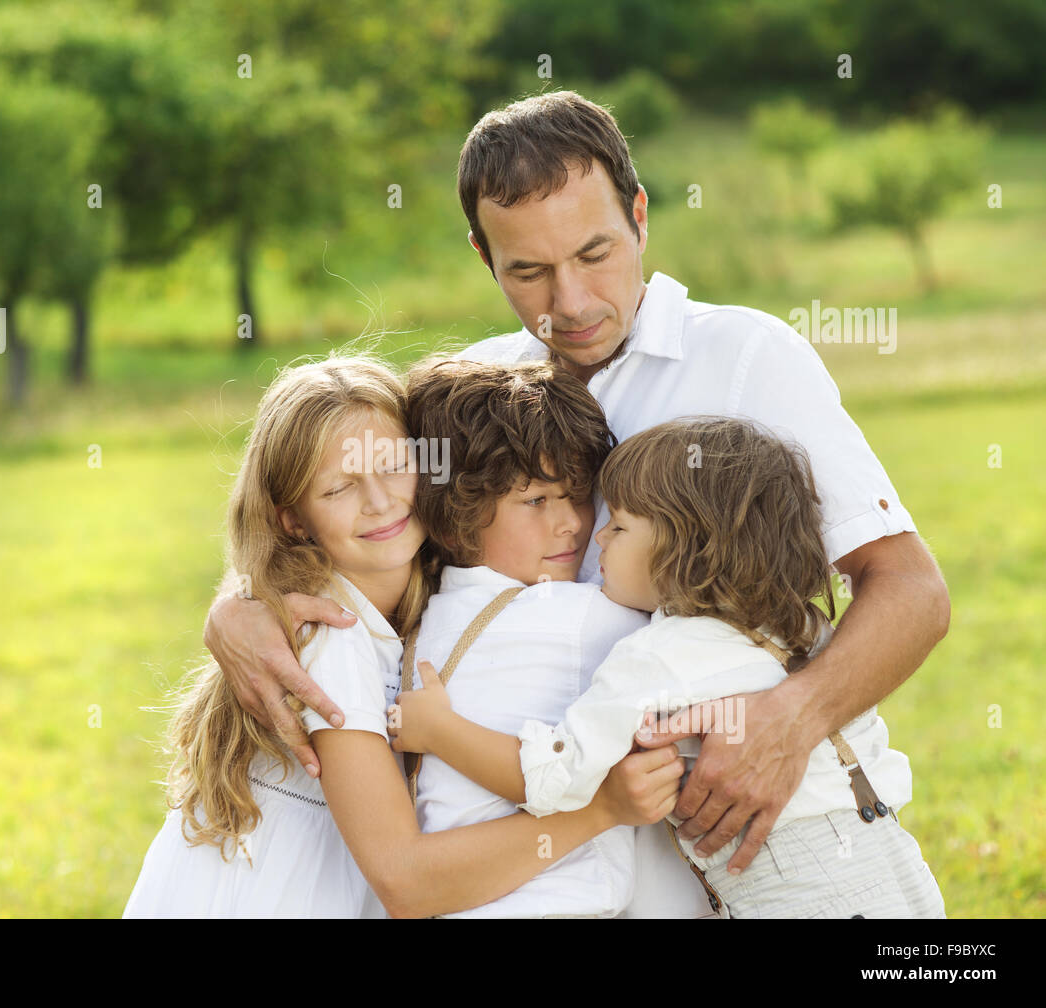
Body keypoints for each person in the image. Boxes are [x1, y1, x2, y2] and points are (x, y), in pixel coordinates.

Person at [202, 90, 950, 888]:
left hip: (758, 848)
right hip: (548, 867)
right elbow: (351, 503)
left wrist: (790, 721)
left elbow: (911, 591)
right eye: (528, 271)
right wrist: (243, 603)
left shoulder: (748, 357)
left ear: (639, 214)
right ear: (484, 258)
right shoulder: (480, 392)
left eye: (595, 253)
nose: (572, 304)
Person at [123, 354, 676, 918]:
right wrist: (600, 810)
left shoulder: (428, 599)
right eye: (339, 488)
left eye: (393, 466)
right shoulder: (329, 633)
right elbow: (405, 880)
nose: (381, 501)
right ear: (292, 519)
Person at [390, 416, 946, 918]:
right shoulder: (802, 627)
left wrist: (439, 729)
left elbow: (554, 777)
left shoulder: (656, 656)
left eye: (621, 526)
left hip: (798, 890)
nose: (596, 536)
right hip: (892, 854)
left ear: (683, 550)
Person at [391, 356, 654, 917]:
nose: (574, 523)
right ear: (457, 513)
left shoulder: (424, 616)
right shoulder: (582, 614)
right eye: (535, 501)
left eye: (578, 494)